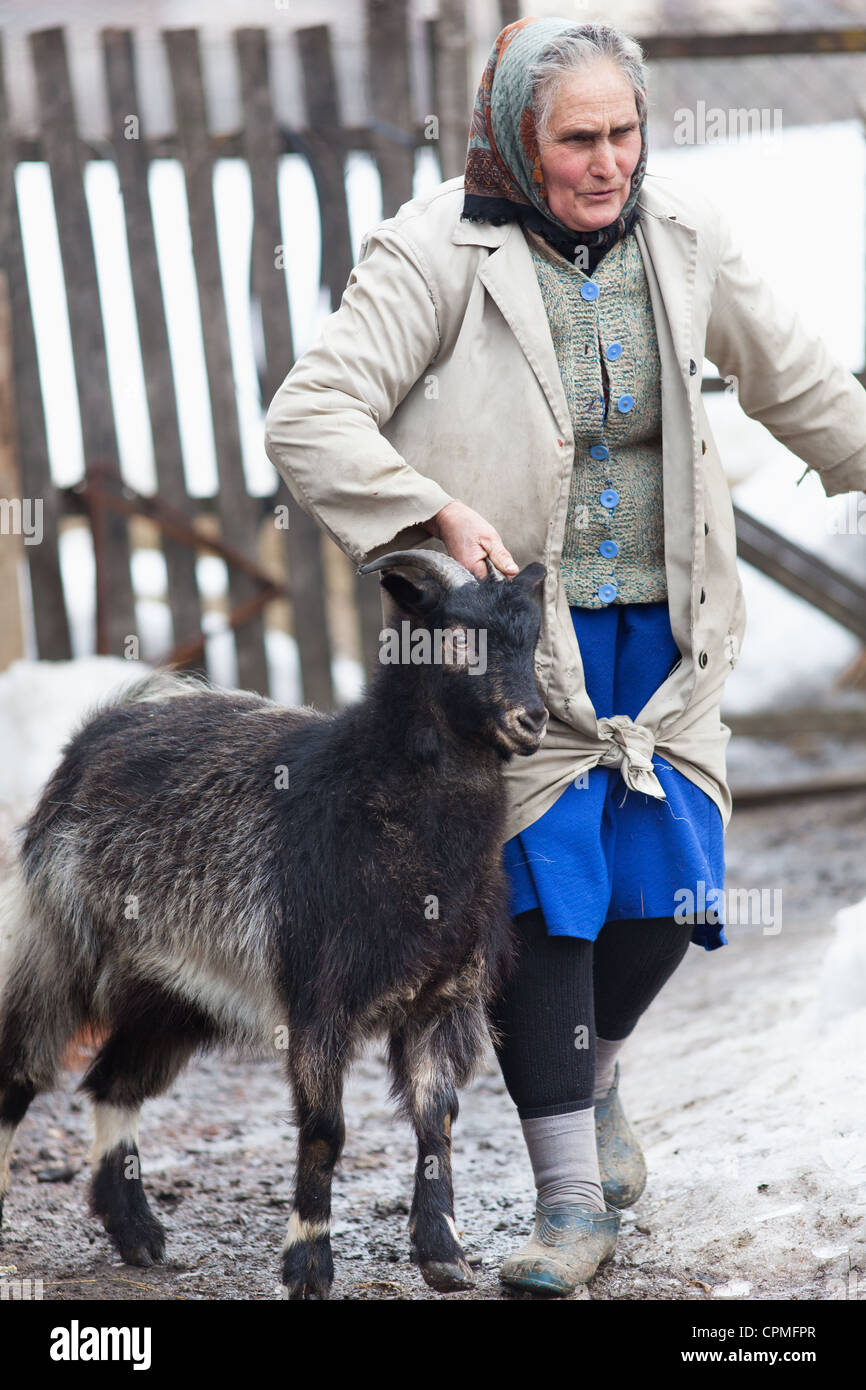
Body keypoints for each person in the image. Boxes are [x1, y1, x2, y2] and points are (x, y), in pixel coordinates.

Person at [265, 17, 866, 1297]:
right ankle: (565, 1207)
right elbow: (308, 415)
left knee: (665, 891)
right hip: (498, 655)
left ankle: (590, 1081)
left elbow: (802, 385)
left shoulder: (682, 235)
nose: (608, 163)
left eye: (624, 133)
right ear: (512, 142)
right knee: (539, 909)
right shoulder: (434, 250)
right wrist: (428, 514)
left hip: (664, 638)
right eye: (577, 139)